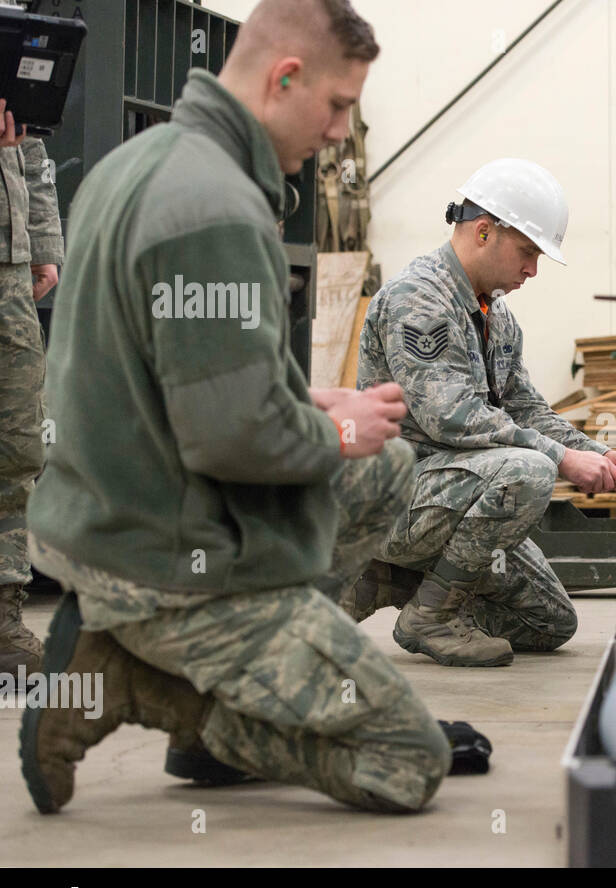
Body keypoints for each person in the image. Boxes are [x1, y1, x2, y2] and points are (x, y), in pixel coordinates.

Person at [21, 0, 453, 815]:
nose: (337, 132)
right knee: (407, 758)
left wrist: (303, 401)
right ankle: (150, 687)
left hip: (117, 512)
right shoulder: (214, 206)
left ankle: (196, 677)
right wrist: (330, 426)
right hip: (164, 561)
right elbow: (231, 436)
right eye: (334, 107)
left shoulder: (139, 163)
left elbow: (171, 377)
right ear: (283, 78)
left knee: (388, 469)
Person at [348, 158, 616, 667]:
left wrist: (598, 455)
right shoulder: (418, 299)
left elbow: (527, 409)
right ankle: (434, 616)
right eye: (528, 251)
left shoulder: (496, 315)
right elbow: (454, 416)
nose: (532, 269)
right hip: (396, 497)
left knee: (551, 622)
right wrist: (560, 461)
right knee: (528, 470)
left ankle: (397, 580)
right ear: (484, 231)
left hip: (451, 494)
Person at [0, 94, 63, 678]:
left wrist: (42, 247)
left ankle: (2, 621)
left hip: (9, 268)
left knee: (18, 442)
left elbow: (34, 147)